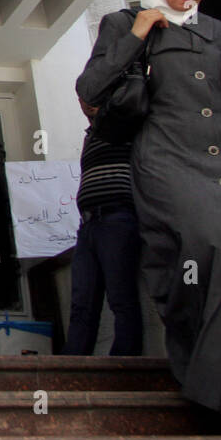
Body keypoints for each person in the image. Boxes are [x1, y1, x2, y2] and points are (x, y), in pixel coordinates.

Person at [76, 0, 221, 415]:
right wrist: (138, 34)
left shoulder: (217, 32)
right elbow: (90, 88)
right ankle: (206, 385)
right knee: (200, 247)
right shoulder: (124, 22)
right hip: (167, 162)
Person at [61, 98, 141, 355]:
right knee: (82, 301)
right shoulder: (89, 136)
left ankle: (124, 367)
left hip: (118, 217)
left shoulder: (128, 125)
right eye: (82, 101)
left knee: (121, 298)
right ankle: (72, 366)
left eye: (93, 99)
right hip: (88, 224)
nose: (86, 105)